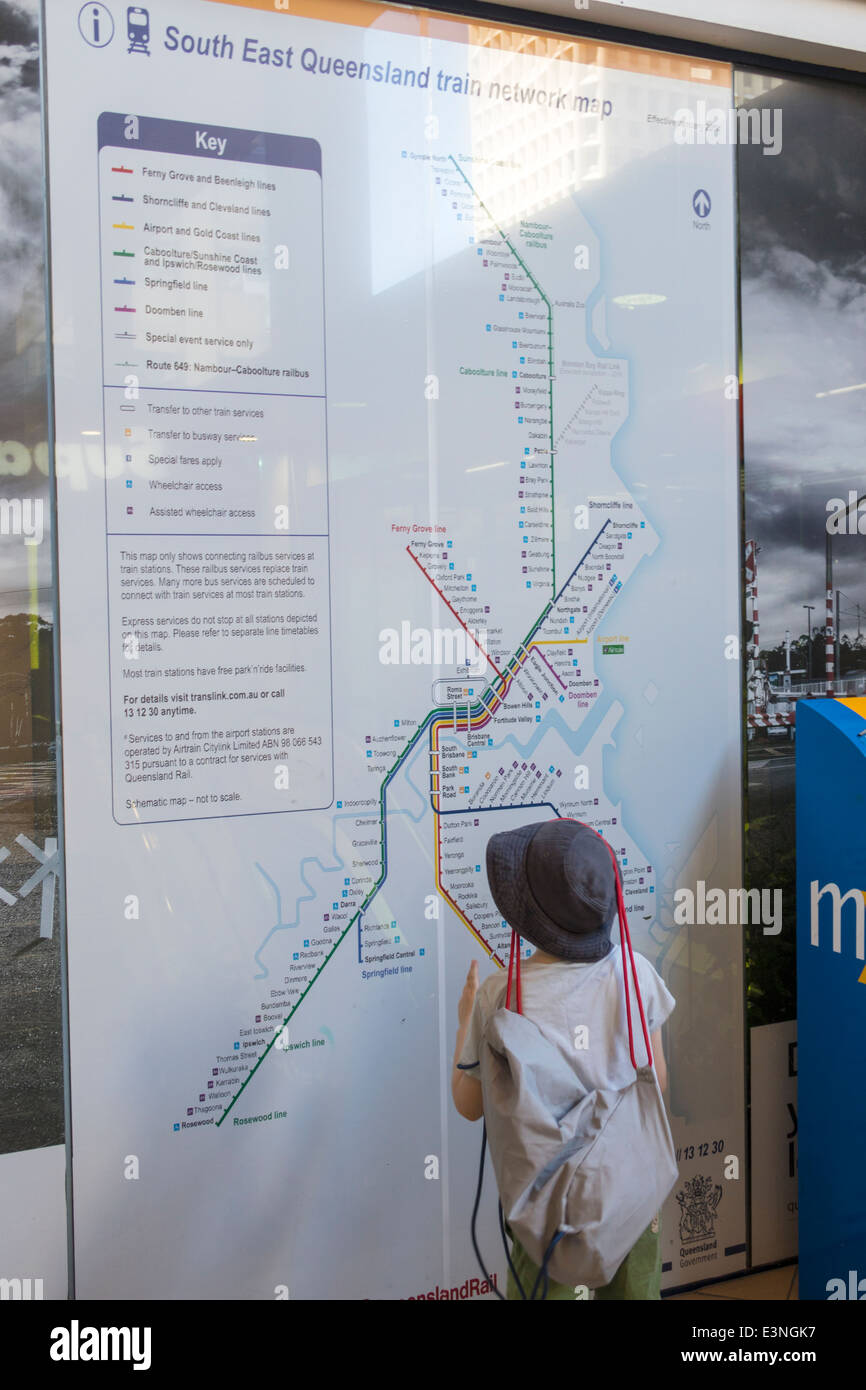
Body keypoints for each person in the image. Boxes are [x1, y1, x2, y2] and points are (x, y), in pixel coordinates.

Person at [451, 817, 676, 1300]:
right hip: (630, 1201)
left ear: (526, 915)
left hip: (545, 1216)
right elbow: (656, 1080)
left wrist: (463, 1021)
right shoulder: (637, 976)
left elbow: (470, 1105)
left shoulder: (497, 996)